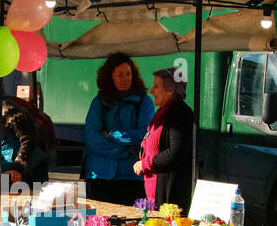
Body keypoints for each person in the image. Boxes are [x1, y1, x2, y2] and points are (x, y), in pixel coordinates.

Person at [82, 52, 154, 205]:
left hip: (132, 175)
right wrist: (124, 151)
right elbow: (92, 138)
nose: (125, 79)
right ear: (110, 77)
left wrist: (113, 135)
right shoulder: (99, 102)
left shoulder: (144, 102)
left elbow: (145, 134)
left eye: (128, 74)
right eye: (119, 75)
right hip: (100, 175)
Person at [133, 66, 195, 214]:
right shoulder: (164, 111)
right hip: (156, 189)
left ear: (171, 89)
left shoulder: (180, 113)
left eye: (156, 86)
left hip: (170, 192)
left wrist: (146, 163)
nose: (151, 91)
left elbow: (176, 152)